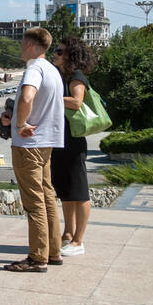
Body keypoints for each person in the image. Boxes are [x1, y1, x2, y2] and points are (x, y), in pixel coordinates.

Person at [0, 26, 64, 272]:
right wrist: (16, 116)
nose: (19, 47)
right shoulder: (52, 70)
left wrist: (19, 123)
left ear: (30, 44)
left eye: (22, 42)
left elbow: (27, 97)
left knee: (34, 201)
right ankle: (53, 251)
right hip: (47, 143)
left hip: (29, 145)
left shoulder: (34, 68)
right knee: (47, 196)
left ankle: (38, 258)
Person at [51, 37, 95, 256]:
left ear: (71, 55)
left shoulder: (77, 77)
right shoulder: (61, 76)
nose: (55, 54)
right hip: (61, 140)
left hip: (74, 141)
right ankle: (67, 234)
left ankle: (79, 241)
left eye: (59, 51)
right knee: (66, 191)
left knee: (79, 192)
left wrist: (52, 97)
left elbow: (77, 102)